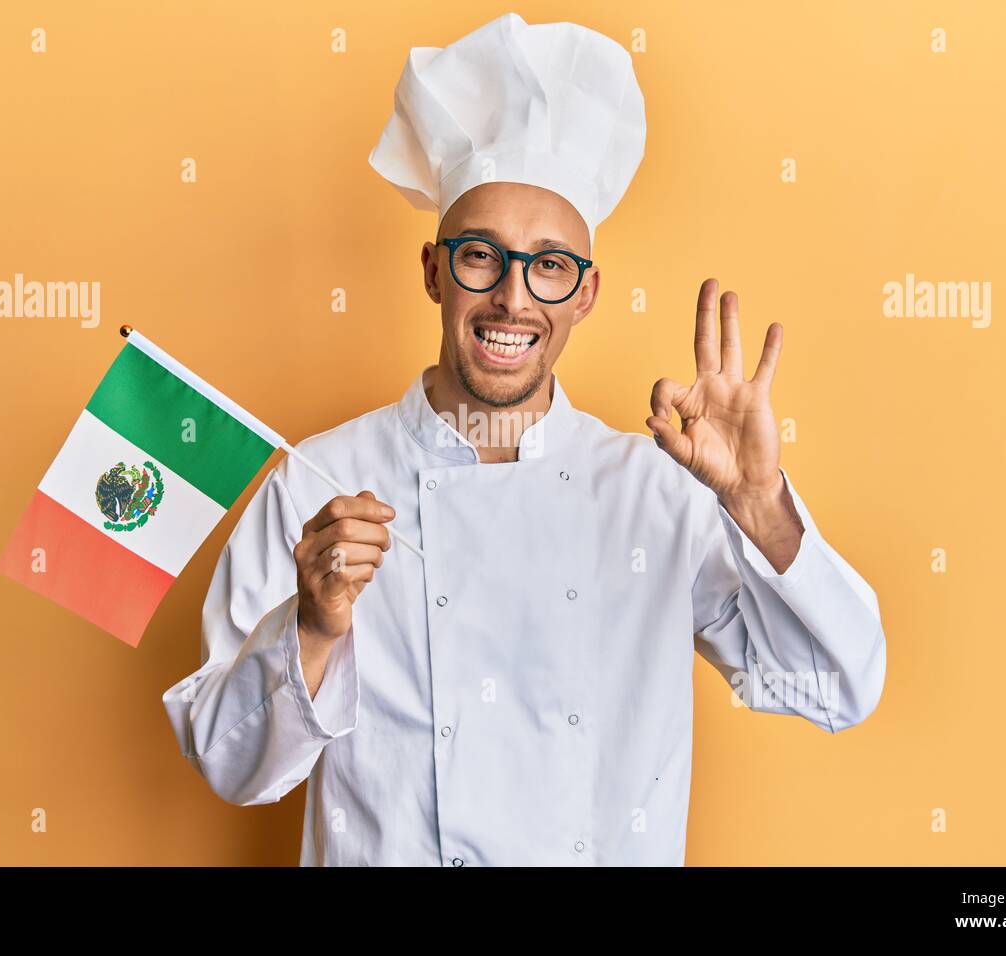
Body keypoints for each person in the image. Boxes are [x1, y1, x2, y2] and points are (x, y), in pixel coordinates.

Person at [162, 11, 886, 866]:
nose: (512, 299)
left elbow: (837, 689)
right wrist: (314, 629)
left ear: (584, 294)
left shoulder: (654, 494)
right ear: (434, 270)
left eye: (549, 265)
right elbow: (226, 763)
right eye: (481, 257)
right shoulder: (318, 481)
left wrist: (760, 505)